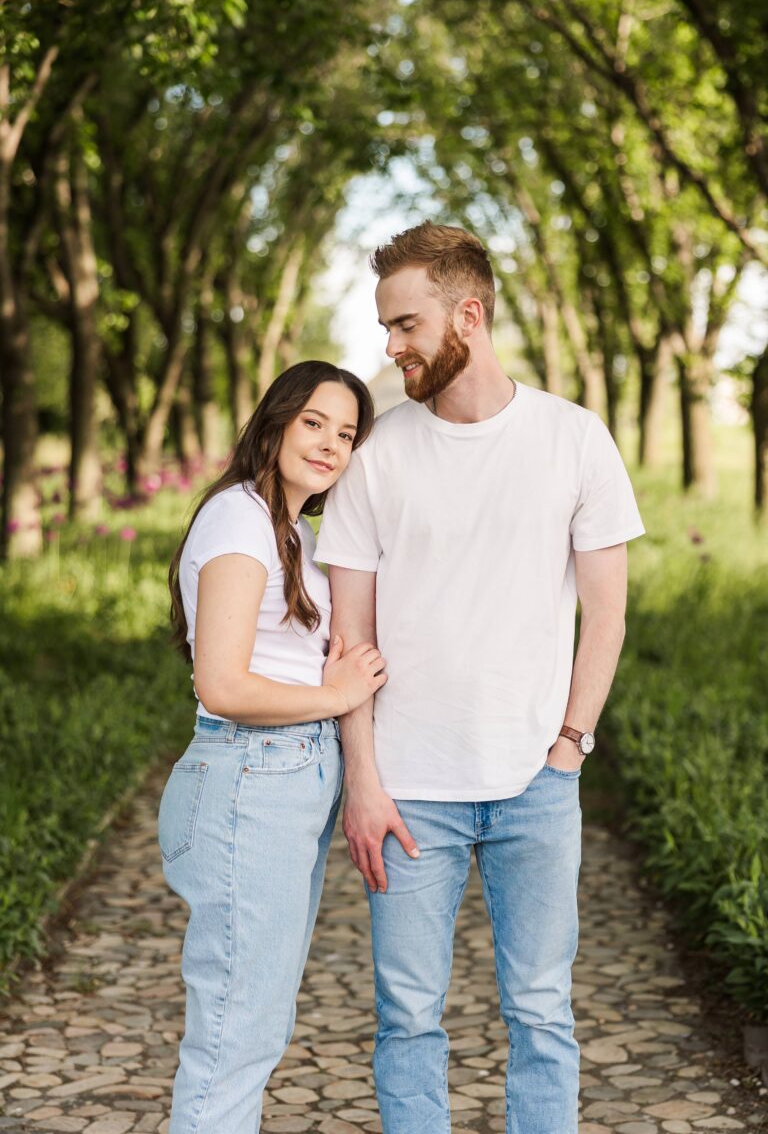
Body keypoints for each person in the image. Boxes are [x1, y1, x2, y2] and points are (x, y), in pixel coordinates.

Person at [314, 222, 645, 1134]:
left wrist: (570, 747)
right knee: (408, 1019)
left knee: (542, 1013)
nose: (392, 347)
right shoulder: (375, 458)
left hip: (536, 782)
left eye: (406, 324)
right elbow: (350, 638)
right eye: (385, 328)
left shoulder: (574, 439)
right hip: (409, 794)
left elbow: (606, 613)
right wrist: (365, 782)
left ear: (469, 313)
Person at [159, 360, 386, 1134]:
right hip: (249, 779)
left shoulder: (292, 530)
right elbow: (221, 682)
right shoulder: (237, 518)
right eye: (315, 422)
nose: (330, 444)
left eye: (347, 433)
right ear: (278, 419)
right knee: (234, 1033)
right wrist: (337, 695)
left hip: (283, 782)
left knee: (252, 1023)